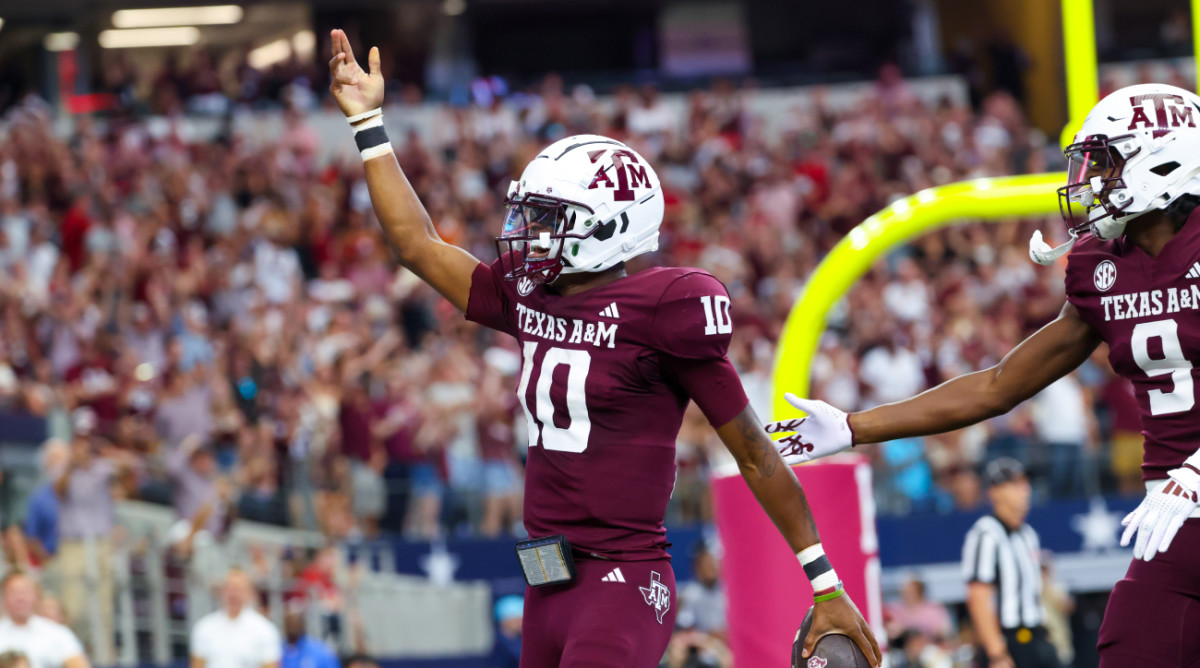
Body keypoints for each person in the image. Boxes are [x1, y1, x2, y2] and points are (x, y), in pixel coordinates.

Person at [326, 30, 879, 668]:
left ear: (610, 229)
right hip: (547, 581)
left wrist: (825, 583)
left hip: (623, 580)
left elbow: (754, 453)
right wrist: (368, 123)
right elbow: (417, 246)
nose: (527, 234)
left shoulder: (665, 308)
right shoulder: (530, 295)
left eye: (548, 219)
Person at [768, 82, 1200, 667]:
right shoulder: (1104, 267)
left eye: (1107, 163)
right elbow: (999, 385)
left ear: (1165, 160)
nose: (1090, 182)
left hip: (1186, 491)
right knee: (1132, 645)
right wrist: (853, 426)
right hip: (1173, 519)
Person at [961, 460, 1060, 668]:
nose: (1024, 490)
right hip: (1011, 641)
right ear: (994, 492)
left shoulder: (1028, 534)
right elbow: (978, 597)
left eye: (1025, 483)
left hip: (1038, 636)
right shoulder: (986, 533)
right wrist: (996, 653)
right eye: (1014, 484)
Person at [190, 569, 282, 668]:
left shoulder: (265, 630)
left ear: (249, 593)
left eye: (239, 589)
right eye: (230, 588)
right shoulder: (204, 627)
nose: (234, 594)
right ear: (222, 591)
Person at [0, 572, 89, 668]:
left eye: (25, 592)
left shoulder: (58, 633)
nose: (20, 598)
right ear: (4, 598)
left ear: (36, 595)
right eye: (14, 592)